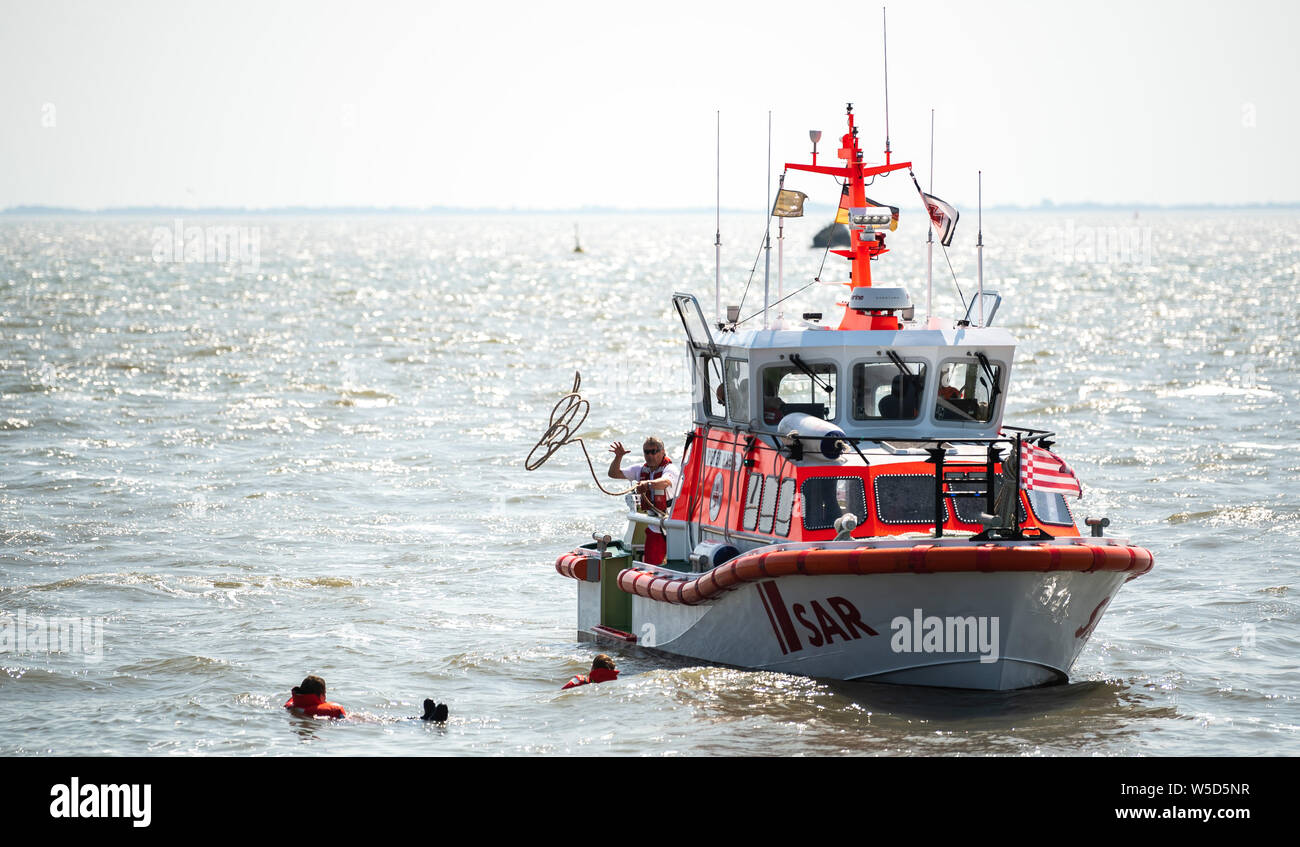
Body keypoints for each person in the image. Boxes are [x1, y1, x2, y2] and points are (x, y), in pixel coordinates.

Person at [608, 437, 679, 565]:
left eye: (654, 451)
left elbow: (664, 482)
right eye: (647, 452)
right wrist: (618, 457)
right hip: (654, 525)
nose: (650, 455)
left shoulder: (670, 469)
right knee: (651, 565)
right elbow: (613, 474)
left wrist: (648, 484)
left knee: (676, 563)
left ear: (663, 452)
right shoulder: (640, 469)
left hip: (673, 524)